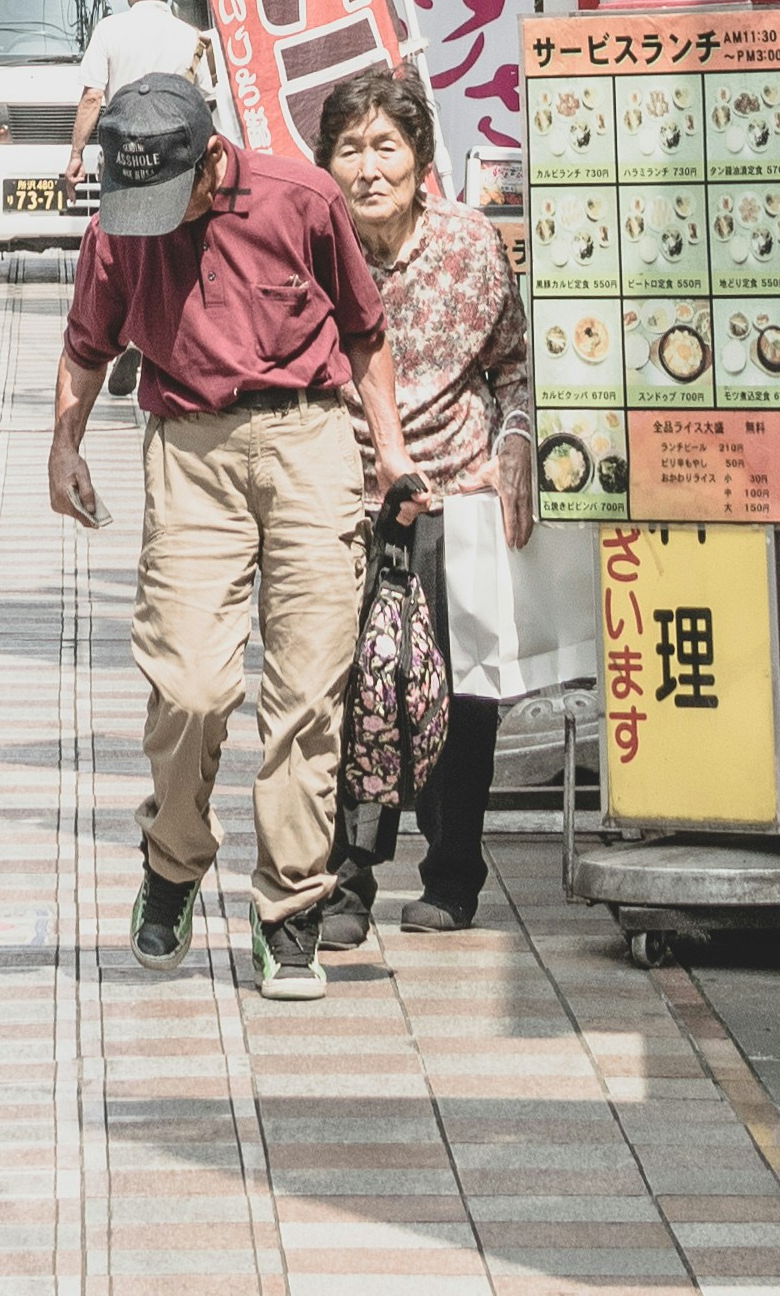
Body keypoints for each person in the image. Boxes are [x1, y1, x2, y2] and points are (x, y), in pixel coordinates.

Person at [50, 66, 415, 1001]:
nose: (155, 220)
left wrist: (389, 452)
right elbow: (87, 344)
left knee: (306, 693)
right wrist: (64, 446)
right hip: (189, 448)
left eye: (172, 198)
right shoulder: (119, 225)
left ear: (214, 159)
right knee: (191, 686)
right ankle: (172, 861)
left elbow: (365, 332)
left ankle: (289, 907)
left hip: (307, 441)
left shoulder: (302, 199)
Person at [312, 63, 533, 941]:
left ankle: (452, 872)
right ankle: (347, 882)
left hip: (455, 491)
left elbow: (513, 366)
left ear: (419, 156)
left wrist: (514, 447)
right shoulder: (312, 249)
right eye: (348, 149)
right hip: (347, 492)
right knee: (348, 685)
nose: (368, 169)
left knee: (458, 689)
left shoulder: (470, 243)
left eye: (385, 147)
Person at [67, 0, 217, 180]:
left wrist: (77, 154)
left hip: (122, 159)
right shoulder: (193, 38)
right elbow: (205, 104)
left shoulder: (108, 30)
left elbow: (92, 98)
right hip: (173, 164)